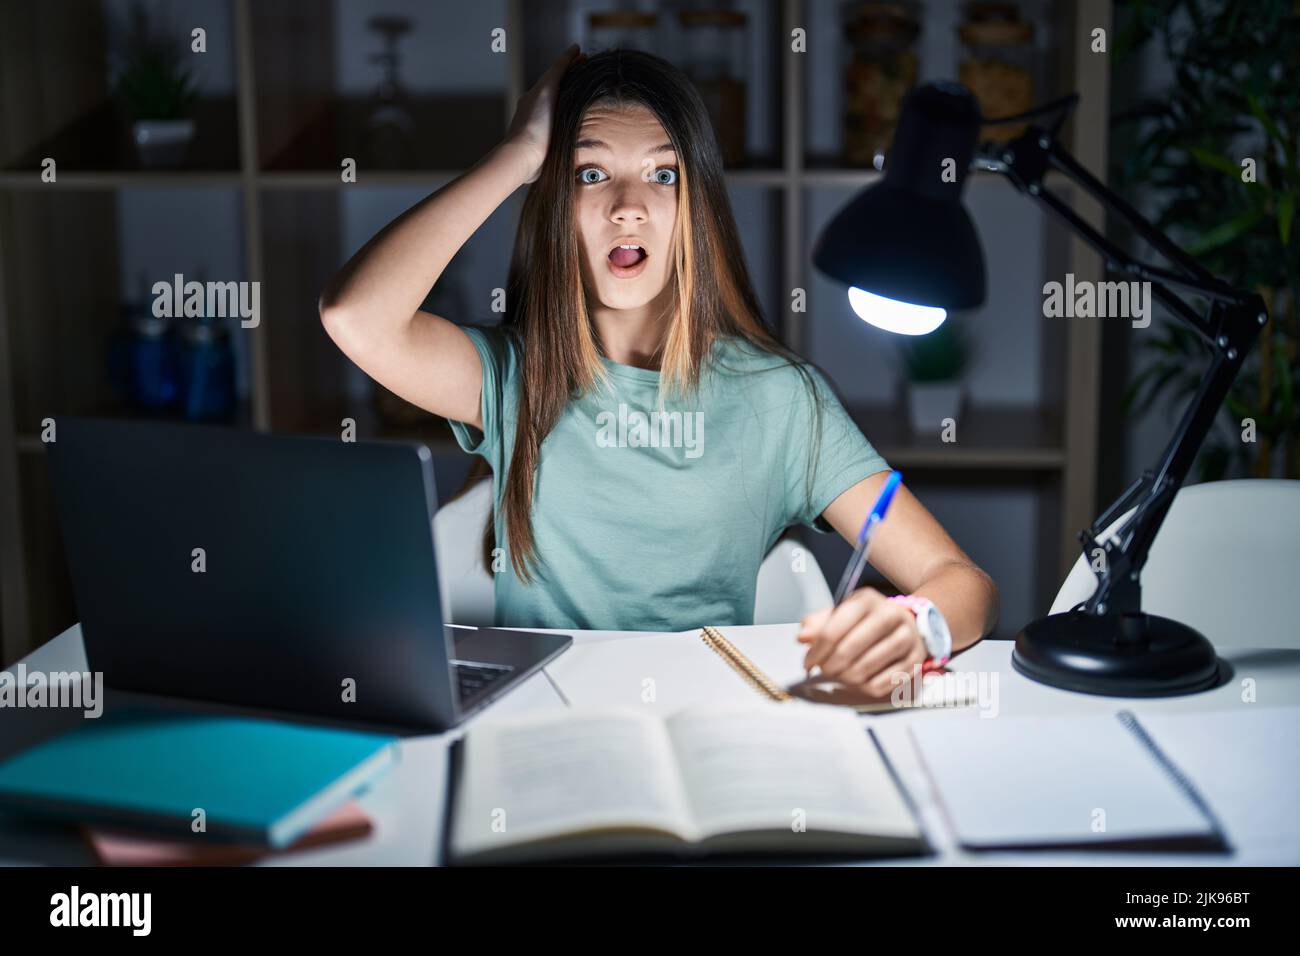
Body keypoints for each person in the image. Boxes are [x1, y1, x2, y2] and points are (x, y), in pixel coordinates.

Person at [320, 46, 999, 699]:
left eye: (662, 173)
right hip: (541, 726)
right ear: (554, 203)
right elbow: (355, 314)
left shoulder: (783, 401)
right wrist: (519, 155)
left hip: (711, 729)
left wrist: (916, 624)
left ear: (696, 208)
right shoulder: (513, 376)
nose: (627, 205)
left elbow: (963, 582)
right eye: (589, 174)